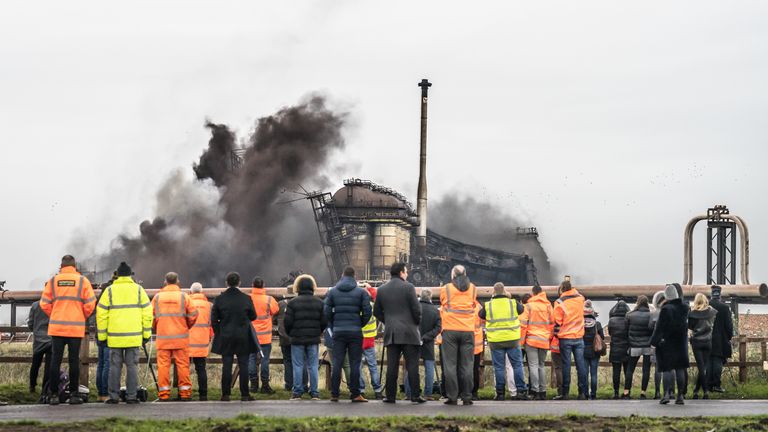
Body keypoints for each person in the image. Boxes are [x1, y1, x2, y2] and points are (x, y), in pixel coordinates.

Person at [40, 255, 96, 405]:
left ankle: (53, 395)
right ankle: (73, 395)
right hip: (75, 328)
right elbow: (91, 303)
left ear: (61, 266)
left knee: (55, 361)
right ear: (75, 266)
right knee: (74, 361)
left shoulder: (53, 281)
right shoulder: (83, 281)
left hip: (57, 328)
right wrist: (81, 315)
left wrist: (54, 314)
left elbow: (44, 304)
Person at [96, 261, 152, 404]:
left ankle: (113, 396)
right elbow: (147, 313)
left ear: (118, 275)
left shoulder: (109, 291)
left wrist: (102, 336)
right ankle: (131, 396)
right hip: (134, 336)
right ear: (130, 275)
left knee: (114, 367)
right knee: (132, 367)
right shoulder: (139, 290)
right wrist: (146, 334)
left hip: (115, 337)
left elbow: (101, 314)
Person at [374, 262, 424, 404]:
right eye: (406, 272)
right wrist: (415, 323)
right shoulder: (409, 287)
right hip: (409, 332)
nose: (407, 274)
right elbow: (416, 310)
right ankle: (415, 395)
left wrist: (388, 321)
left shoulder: (382, 290)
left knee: (392, 366)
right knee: (412, 365)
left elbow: (376, 311)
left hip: (392, 333)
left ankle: (390, 396)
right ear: (401, 273)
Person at [324, 266, 372, 403]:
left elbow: (326, 312)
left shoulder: (332, 292)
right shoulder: (361, 293)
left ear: (342, 275)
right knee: (355, 363)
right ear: (354, 276)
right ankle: (355, 394)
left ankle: (335, 394)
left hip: (338, 332)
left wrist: (335, 324)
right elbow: (367, 312)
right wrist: (359, 323)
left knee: (337, 363)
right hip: (355, 332)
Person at [211, 272, 260, 401]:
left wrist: (219, 332)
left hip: (226, 336)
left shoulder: (219, 299)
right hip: (243, 337)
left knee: (226, 366)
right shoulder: (246, 298)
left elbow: (214, 319)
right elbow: (253, 316)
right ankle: (245, 394)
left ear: (226, 283)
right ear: (239, 282)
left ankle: (225, 394)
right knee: (244, 365)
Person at [153, 272, 197, 401]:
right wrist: (186, 326)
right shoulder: (184, 297)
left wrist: (157, 327)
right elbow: (193, 314)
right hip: (180, 338)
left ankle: (164, 394)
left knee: (163, 366)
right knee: (183, 365)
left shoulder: (157, 297)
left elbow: (151, 316)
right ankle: (185, 393)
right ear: (177, 281)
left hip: (163, 338)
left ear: (165, 281)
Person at [479, 282, 526, 401]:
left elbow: (481, 315)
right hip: (512, 339)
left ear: (493, 292)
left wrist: (492, 299)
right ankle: (521, 391)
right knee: (517, 365)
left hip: (496, 340)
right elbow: (522, 310)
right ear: (505, 291)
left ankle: (500, 393)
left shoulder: (488, 305)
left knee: (499, 368)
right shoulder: (513, 303)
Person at [438, 265, 477, 405]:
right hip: (468, 330)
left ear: (452, 275)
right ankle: (467, 396)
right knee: (467, 365)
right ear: (465, 273)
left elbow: (443, 303)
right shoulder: (473, 288)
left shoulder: (446, 288)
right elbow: (474, 304)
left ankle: (452, 396)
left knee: (450, 365)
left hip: (450, 330)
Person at [285, 274, 326, 400]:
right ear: (312, 287)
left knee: (298, 365)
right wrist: (318, 331)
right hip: (313, 338)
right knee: (313, 366)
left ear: (297, 287)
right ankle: (314, 392)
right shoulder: (320, 302)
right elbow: (324, 321)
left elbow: (287, 322)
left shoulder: (292, 303)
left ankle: (297, 392)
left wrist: (291, 333)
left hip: (297, 338)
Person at [650, 283, 690, 405]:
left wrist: (654, 342)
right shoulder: (685, 308)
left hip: (667, 343)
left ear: (667, 296)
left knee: (667, 369)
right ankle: (680, 396)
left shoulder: (666, 309)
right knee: (680, 369)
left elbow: (660, 328)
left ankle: (666, 394)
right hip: (681, 342)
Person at [405, 288, 441, 400]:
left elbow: (407, 323)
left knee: (411, 367)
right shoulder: (435, 310)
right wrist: (426, 337)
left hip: (413, 340)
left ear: (420, 296)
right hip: (428, 342)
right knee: (429, 368)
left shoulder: (413, 308)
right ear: (430, 297)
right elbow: (438, 328)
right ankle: (428, 393)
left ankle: (409, 393)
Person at [553, 280, 586, 400]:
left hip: (565, 337)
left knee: (566, 366)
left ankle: (565, 393)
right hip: (579, 337)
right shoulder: (581, 299)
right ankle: (582, 393)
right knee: (580, 365)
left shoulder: (559, 302)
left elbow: (557, 322)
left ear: (561, 289)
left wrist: (555, 335)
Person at [520, 284, 553, 401]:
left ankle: (535, 391)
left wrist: (521, 341)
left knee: (533, 365)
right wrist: (549, 337)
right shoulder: (548, 305)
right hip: (544, 339)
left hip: (532, 339)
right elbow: (552, 323)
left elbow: (523, 324)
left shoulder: (529, 306)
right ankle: (543, 391)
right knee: (541, 366)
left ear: (533, 293)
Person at [249, 277, 278, 394]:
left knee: (251, 359)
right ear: (263, 285)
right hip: (265, 337)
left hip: (251, 336)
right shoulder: (269, 299)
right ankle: (265, 385)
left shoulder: (248, 298)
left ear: (252, 285)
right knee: (265, 360)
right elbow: (275, 310)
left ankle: (253, 385)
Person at [277, 284, 307, 393]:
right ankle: (304, 385)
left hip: (284, 337)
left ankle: (289, 385)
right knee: (302, 361)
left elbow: (275, 318)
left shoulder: (280, 304)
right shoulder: (301, 303)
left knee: (287, 361)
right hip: (298, 336)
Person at [688, 293, 718, 400]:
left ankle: (705, 391)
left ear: (696, 301)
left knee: (701, 367)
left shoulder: (692, 314)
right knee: (703, 367)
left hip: (697, 342)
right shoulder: (712, 312)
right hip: (708, 341)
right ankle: (696, 390)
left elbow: (690, 326)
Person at [93, 272, 117, 402]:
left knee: (101, 363)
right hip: (109, 331)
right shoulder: (113, 291)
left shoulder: (104, 290)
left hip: (100, 331)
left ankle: (100, 393)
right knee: (108, 363)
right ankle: (105, 392)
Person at [188, 282, 213, 401]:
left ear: (191, 291)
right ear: (202, 292)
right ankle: (203, 395)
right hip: (202, 342)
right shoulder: (209, 305)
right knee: (201, 369)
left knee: (184, 369)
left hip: (187, 342)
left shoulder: (186, 303)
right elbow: (212, 323)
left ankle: (184, 393)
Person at [626, 295, 653, 399]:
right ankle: (643, 392)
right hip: (647, 346)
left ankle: (626, 392)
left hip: (634, 345)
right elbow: (653, 330)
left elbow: (626, 330)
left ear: (637, 302)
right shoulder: (651, 315)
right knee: (646, 370)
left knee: (630, 369)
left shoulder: (630, 315)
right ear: (647, 303)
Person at [708, 285, 734, 393]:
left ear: (711, 294)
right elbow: (729, 326)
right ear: (719, 294)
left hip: (706, 338)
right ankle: (716, 385)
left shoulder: (706, 306)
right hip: (720, 339)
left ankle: (708, 386)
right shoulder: (724, 307)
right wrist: (729, 336)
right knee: (717, 361)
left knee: (708, 362)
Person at [360, 284, 384, 400]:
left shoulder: (357, 306)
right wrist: (370, 288)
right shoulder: (373, 306)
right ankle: (377, 391)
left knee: (358, 367)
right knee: (373, 366)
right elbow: (378, 299)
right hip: (369, 340)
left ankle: (361, 390)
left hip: (358, 340)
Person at [27, 300, 52, 401]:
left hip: (38, 340)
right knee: (49, 367)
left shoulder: (35, 305)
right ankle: (45, 390)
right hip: (51, 339)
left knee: (35, 364)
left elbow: (30, 323)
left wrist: (35, 329)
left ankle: (32, 386)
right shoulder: (54, 304)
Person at [608, 300, 630, 399]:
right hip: (626, 348)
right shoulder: (628, 320)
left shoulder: (611, 320)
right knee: (627, 371)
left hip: (615, 348)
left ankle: (616, 392)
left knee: (616, 372)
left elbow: (610, 333)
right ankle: (627, 392)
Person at [582, 300, 604, 400]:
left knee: (585, 373)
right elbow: (602, 337)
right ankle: (593, 394)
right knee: (594, 374)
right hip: (595, 351)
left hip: (583, 351)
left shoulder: (580, 324)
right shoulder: (597, 324)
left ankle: (585, 393)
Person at [649, 290, 665, 399]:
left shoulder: (654, 313)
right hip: (669, 342)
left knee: (658, 368)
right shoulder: (671, 311)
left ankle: (657, 392)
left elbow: (650, 327)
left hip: (657, 343)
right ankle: (671, 392)